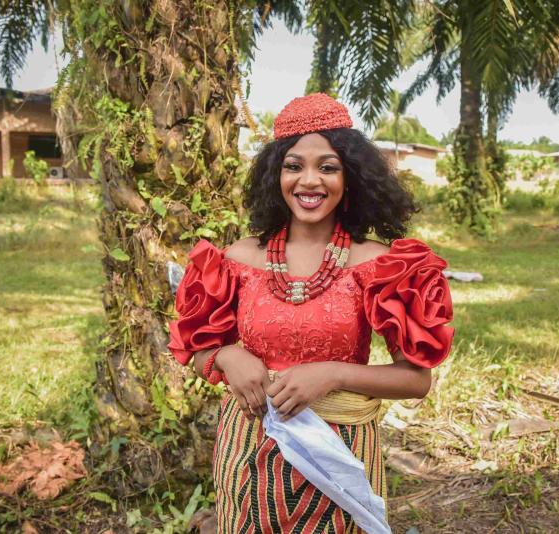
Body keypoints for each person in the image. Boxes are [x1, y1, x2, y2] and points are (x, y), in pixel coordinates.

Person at [168, 93, 455, 532]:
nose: (309, 181)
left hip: (338, 460)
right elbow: (194, 350)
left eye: (327, 167)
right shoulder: (237, 259)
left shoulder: (380, 265)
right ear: (274, 175)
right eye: (293, 165)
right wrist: (226, 356)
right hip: (250, 456)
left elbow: (416, 379)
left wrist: (333, 374)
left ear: (351, 177)